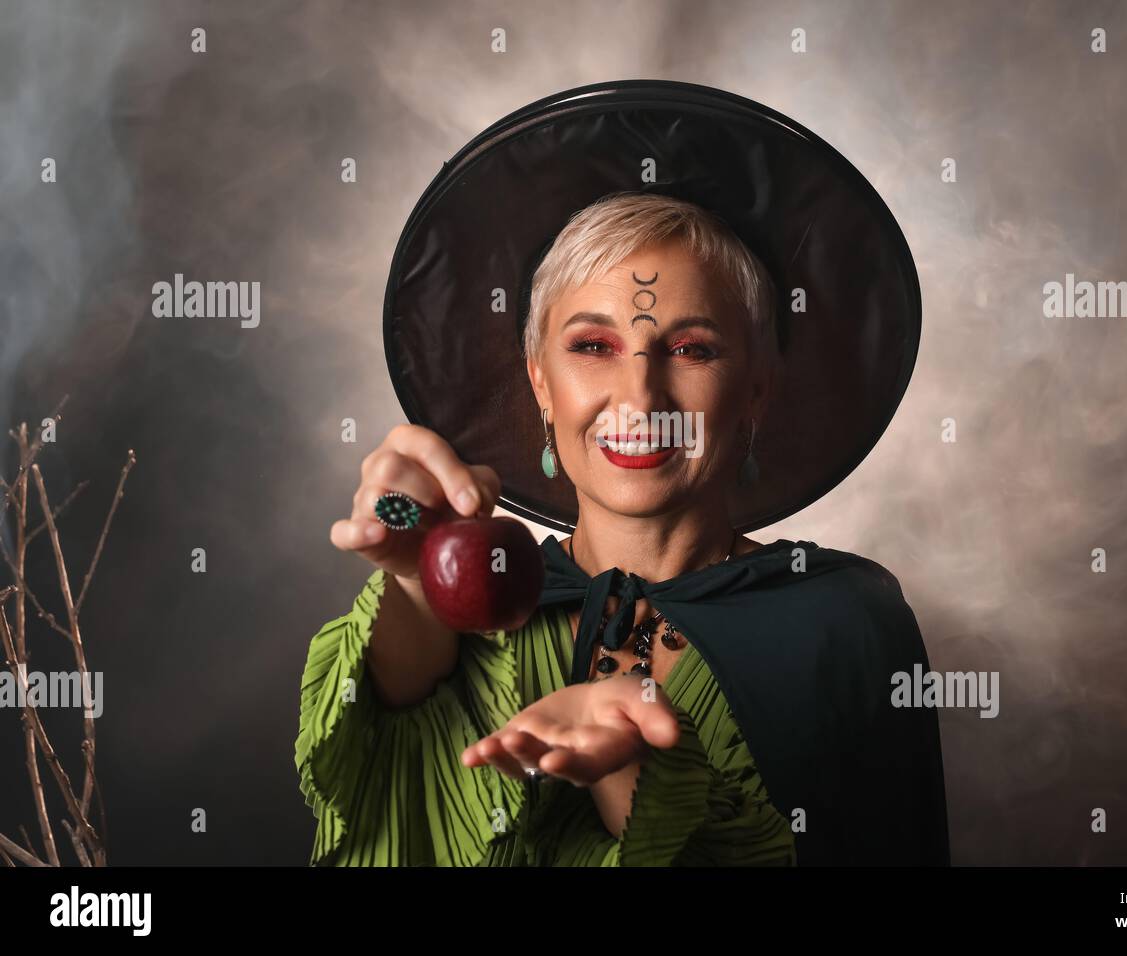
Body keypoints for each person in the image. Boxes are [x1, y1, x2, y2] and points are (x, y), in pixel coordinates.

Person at [295, 81, 948, 866]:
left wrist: (636, 775)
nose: (640, 397)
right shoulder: (472, 612)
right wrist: (417, 575)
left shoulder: (846, 622)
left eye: (693, 349)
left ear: (757, 390)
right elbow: (389, 755)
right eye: (592, 347)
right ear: (539, 381)